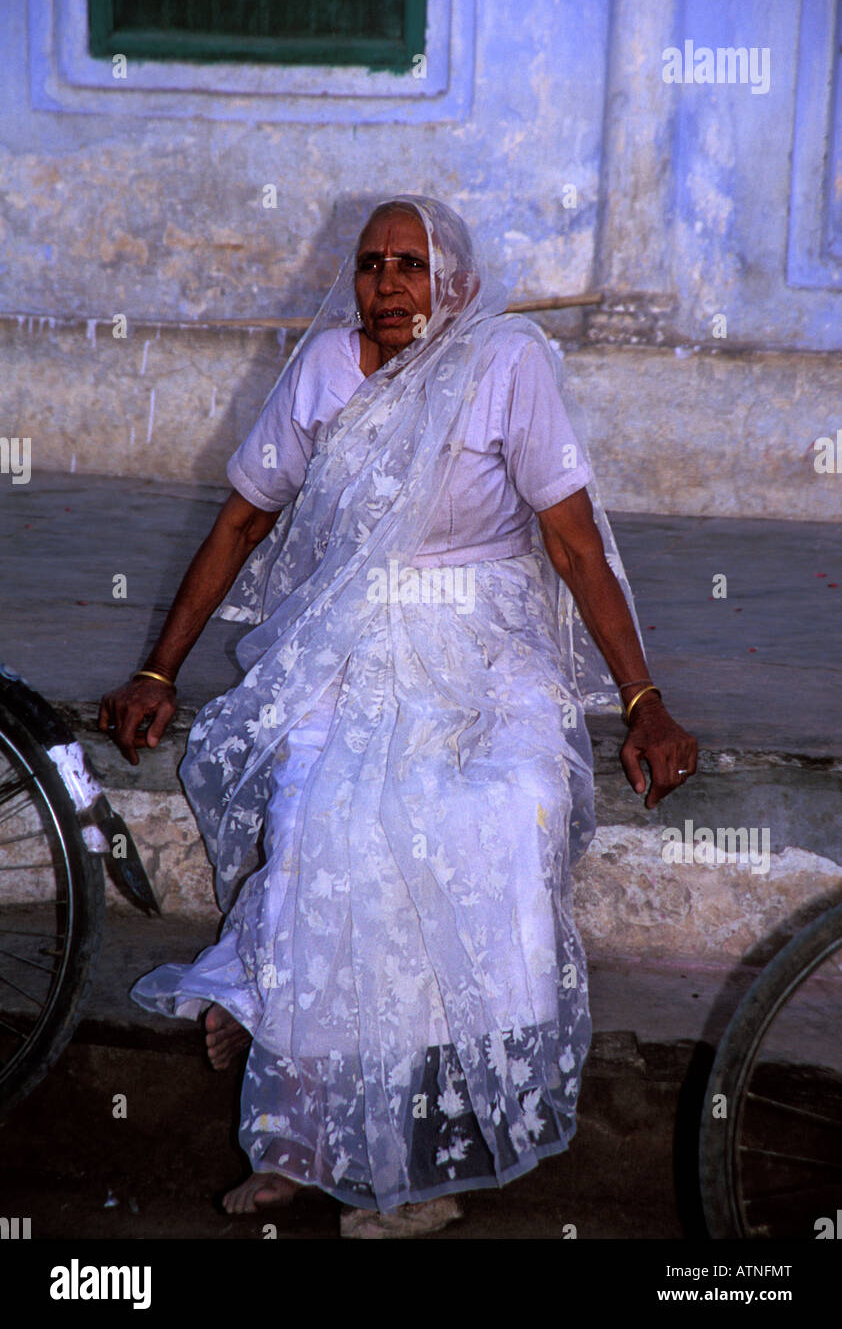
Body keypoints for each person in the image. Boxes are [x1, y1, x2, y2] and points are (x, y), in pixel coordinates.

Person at [99, 195, 697, 1239]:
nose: (387, 284)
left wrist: (642, 701)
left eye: (411, 265)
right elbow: (243, 516)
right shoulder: (325, 372)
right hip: (350, 641)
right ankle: (297, 1141)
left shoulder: (505, 363)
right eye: (372, 265)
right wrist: (157, 668)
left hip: (483, 645)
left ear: (456, 283)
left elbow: (566, 544)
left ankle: (423, 1155)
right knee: (328, 829)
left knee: (504, 812)